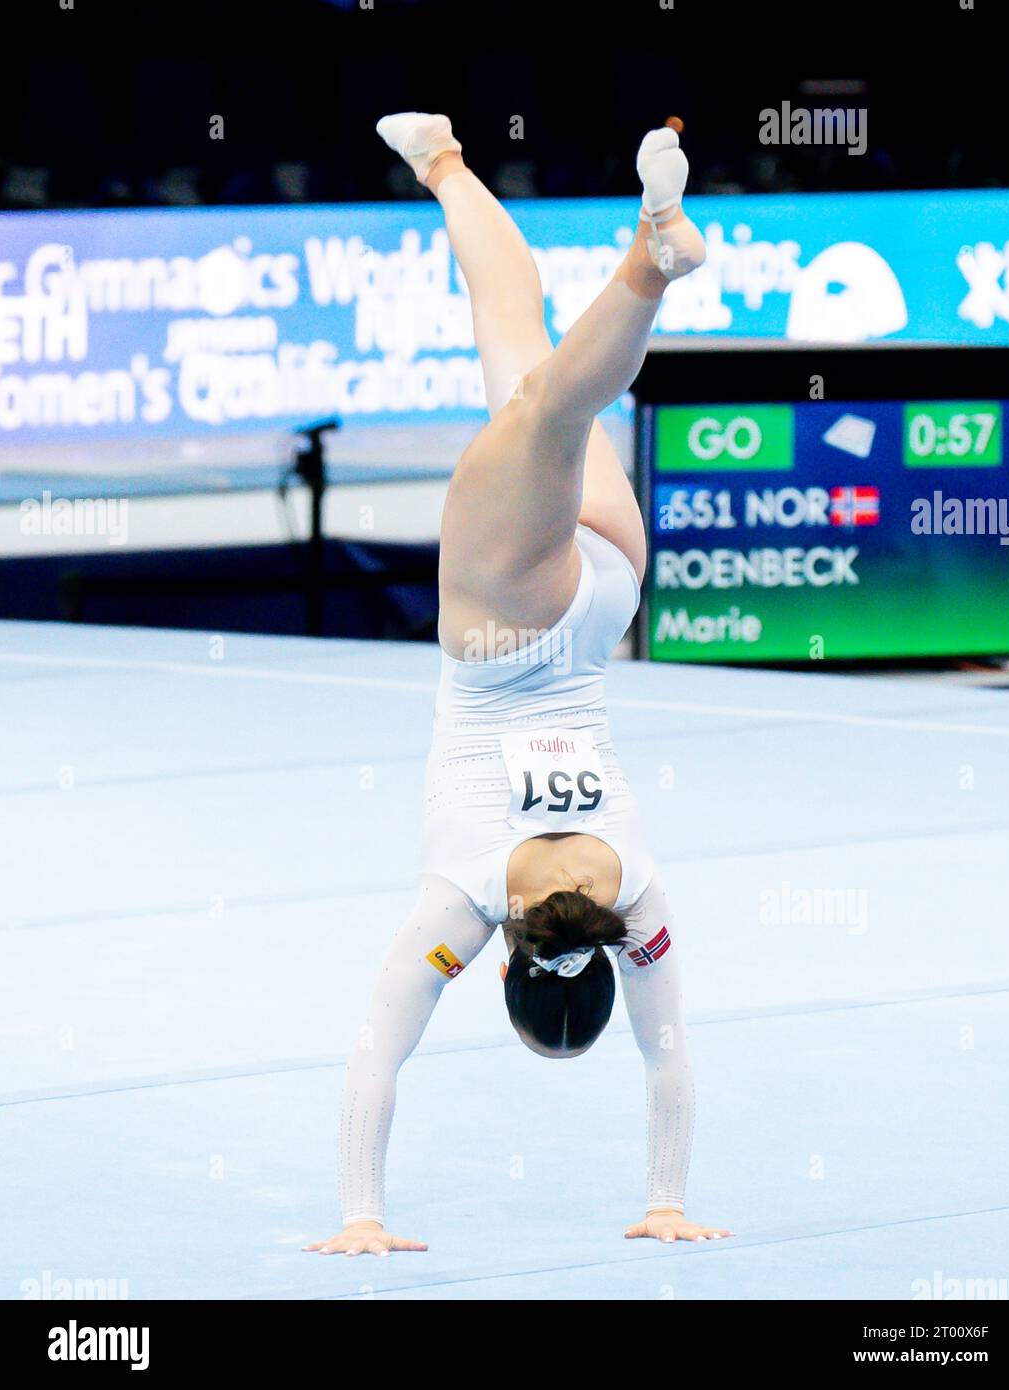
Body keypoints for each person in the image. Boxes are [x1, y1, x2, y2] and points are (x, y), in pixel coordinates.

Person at [305, 114, 731, 1257]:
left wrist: (666, 1199)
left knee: (522, 352)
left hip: (606, 597)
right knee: (549, 401)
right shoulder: (460, 900)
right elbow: (374, 1051)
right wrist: (361, 1217)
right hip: (504, 627)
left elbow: (666, 1051)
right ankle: (651, 260)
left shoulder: (633, 895)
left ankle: (442, 158)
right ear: (505, 965)